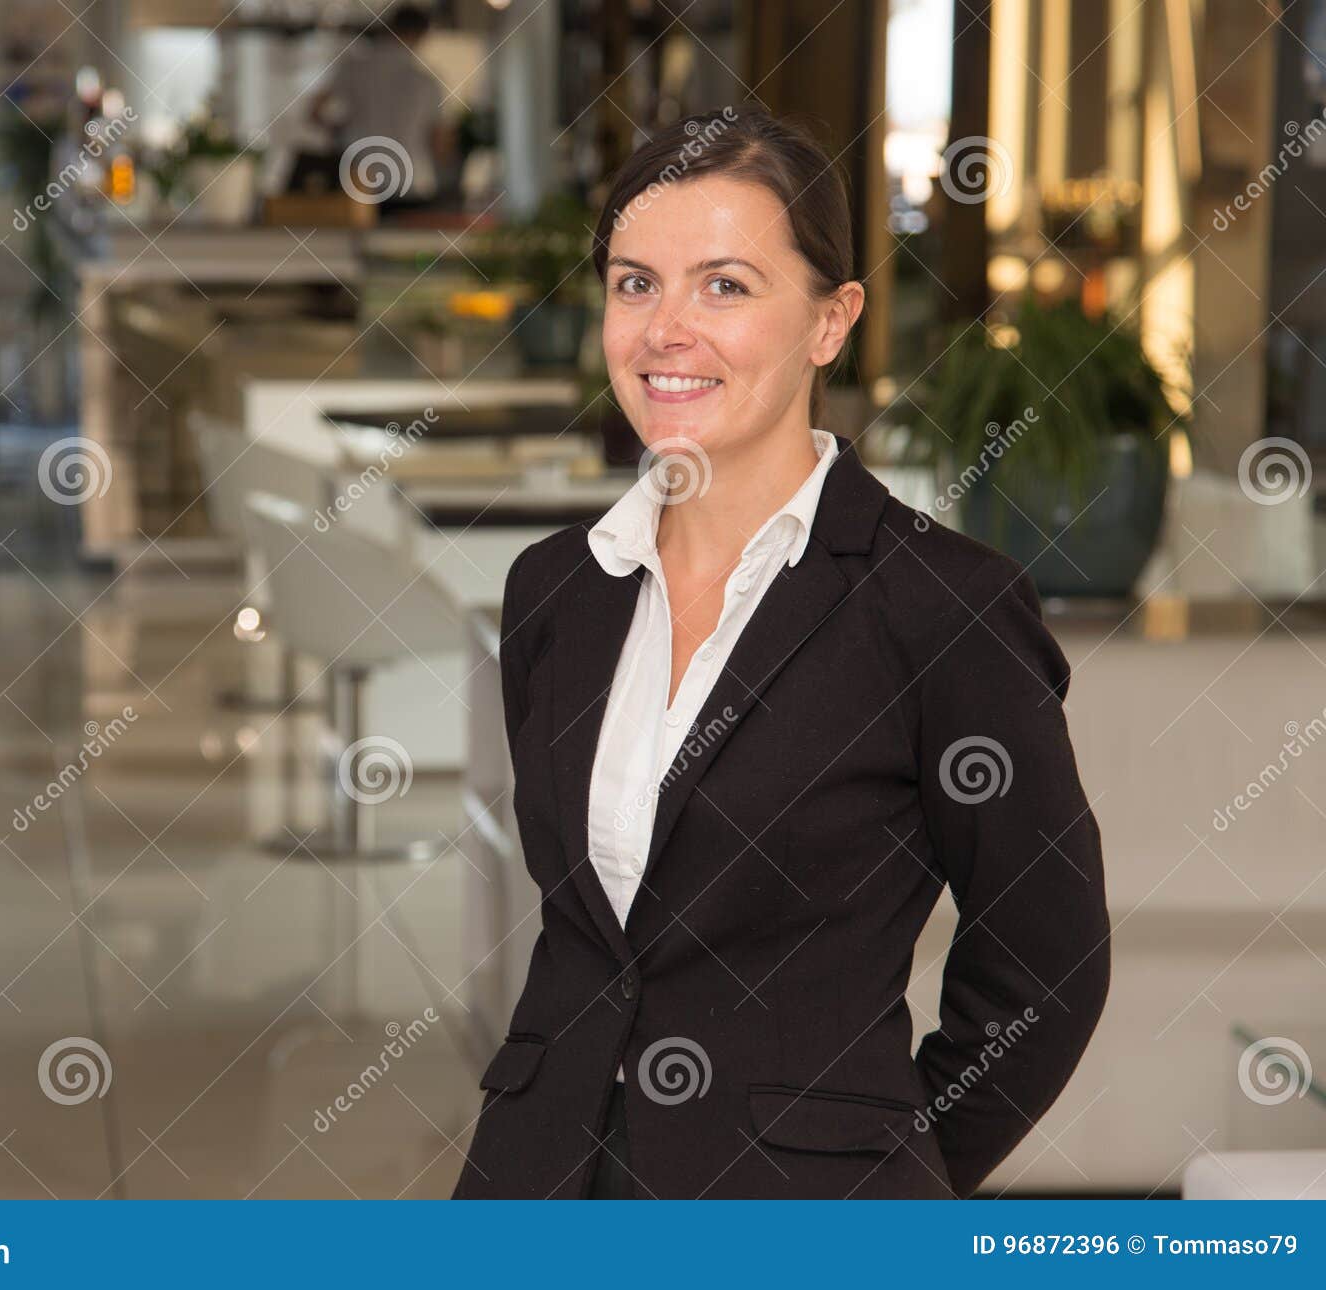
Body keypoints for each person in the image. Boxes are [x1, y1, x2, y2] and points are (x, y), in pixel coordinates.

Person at [450, 105, 1111, 1200]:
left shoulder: (939, 605)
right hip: (536, 1186)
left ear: (830, 320)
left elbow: (1049, 965)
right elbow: (589, 942)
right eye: (633, 283)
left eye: (725, 285)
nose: (666, 329)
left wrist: (888, 1172)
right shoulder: (557, 591)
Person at [305, 3, 453, 210]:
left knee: (355, 242)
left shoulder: (353, 67)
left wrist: (339, 131)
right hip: (412, 183)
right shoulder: (426, 82)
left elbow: (314, 111)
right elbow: (440, 144)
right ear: (421, 35)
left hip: (359, 181)